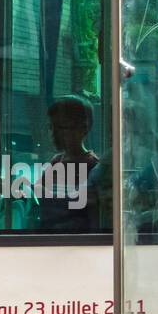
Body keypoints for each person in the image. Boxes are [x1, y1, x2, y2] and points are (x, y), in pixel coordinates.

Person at [38, 95, 100, 232]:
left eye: (61, 127)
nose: (53, 133)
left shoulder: (92, 166)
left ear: (83, 129)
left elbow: (79, 205)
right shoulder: (56, 161)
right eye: (50, 127)